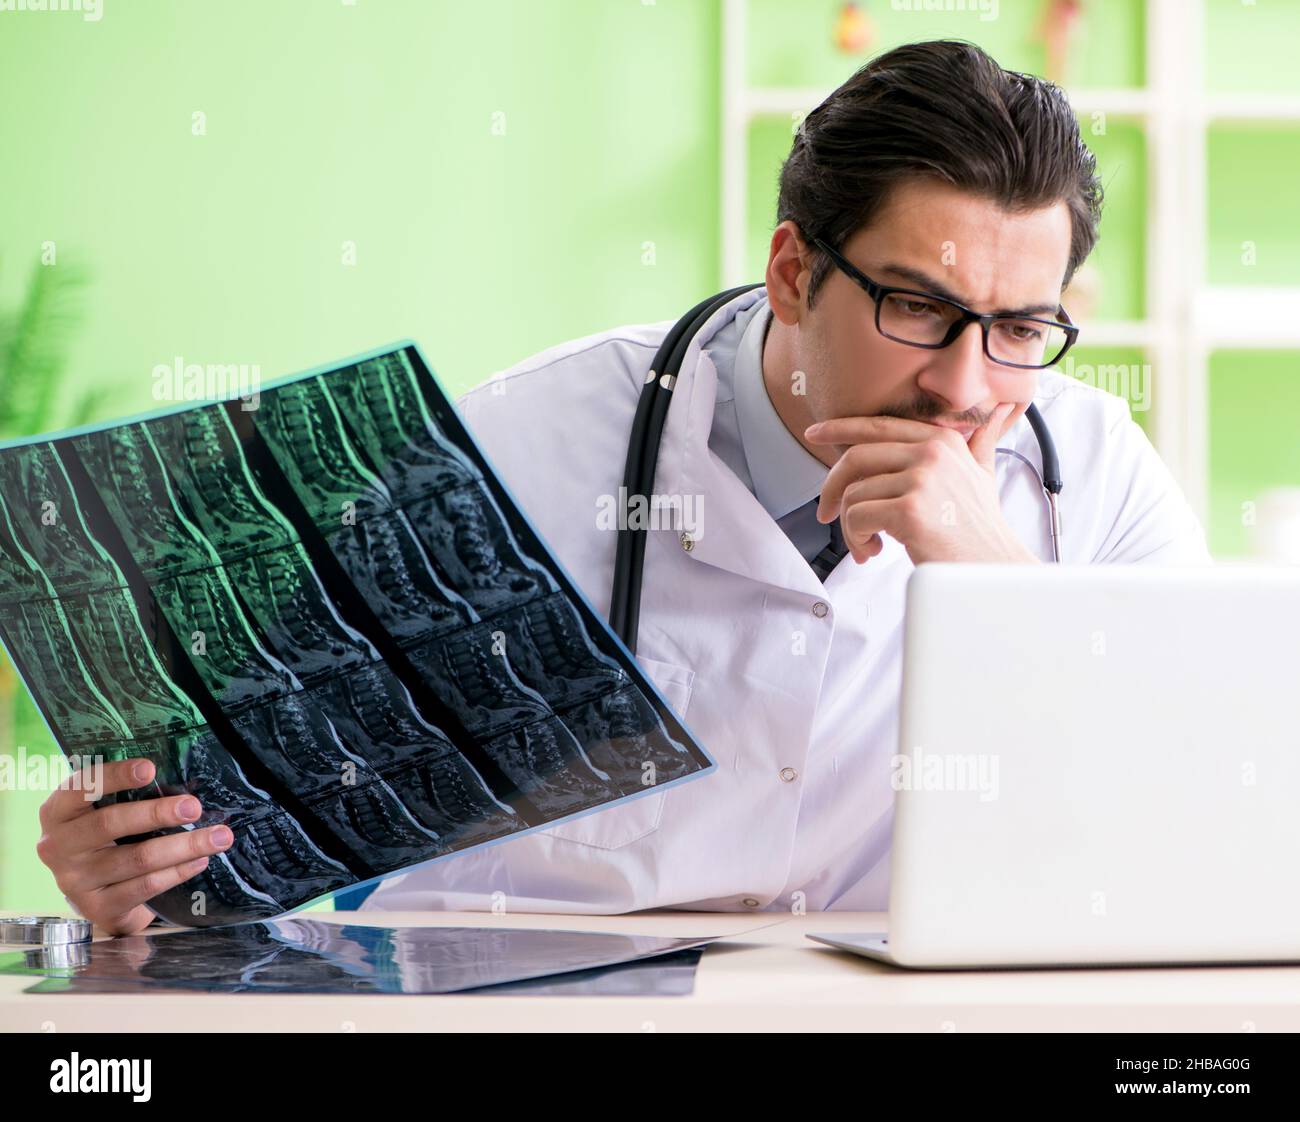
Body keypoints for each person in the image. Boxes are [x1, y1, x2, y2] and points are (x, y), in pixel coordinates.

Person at [37, 40, 1210, 936]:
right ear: (795, 271)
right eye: (918, 308)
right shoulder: (515, 445)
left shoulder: (1088, 472)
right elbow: (257, 818)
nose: (964, 384)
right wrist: (140, 868)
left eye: (1017, 327)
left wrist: (994, 581)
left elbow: (1204, 806)